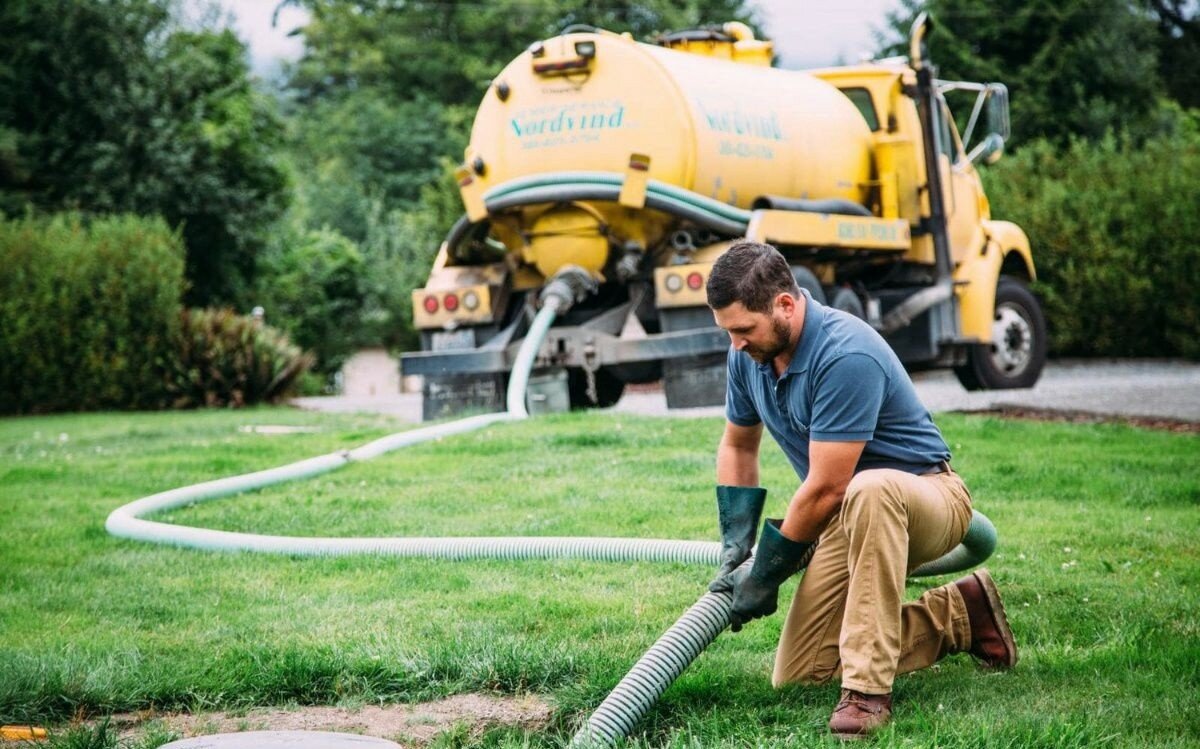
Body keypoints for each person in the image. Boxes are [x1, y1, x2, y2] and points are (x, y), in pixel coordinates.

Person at [705, 241, 1017, 739]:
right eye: (729, 331)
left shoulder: (845, 352)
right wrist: (736, 541)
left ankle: (868, 692)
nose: (736, 343)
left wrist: (767, 573)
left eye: (744, 329)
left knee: (868, 488)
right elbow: (739, 447)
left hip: (925, 497)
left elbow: (829, 486)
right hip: (847, 517)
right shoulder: (747, 355)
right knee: (802, 674)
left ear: (785, 304)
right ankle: (960, 614)